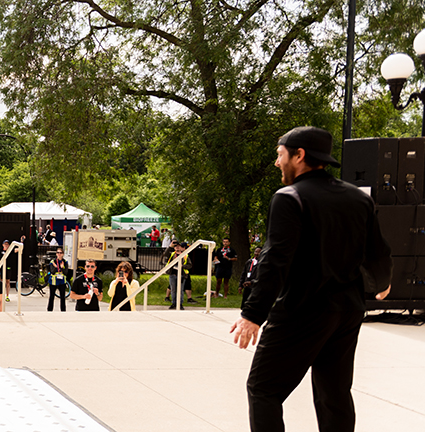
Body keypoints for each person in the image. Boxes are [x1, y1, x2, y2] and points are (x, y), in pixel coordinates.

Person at [229, 126, 392, 432]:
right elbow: (379, 251)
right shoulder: (358, 198)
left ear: (299, 155)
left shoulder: (289, 198)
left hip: (303, 309)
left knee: (264, 389)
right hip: (347, 311)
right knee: (335, 393)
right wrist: (383, 282)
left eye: (280, 155)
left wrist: (253, 314)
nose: (277, 162)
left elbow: (275, 260)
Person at [166, 242, 196, 309]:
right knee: (173, 289)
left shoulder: (185, 255)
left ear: (181, 247)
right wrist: (170, 246)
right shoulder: (172, 254)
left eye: (179, 246)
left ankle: (180, 304)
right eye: (176, 246)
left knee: (180, 290)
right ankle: (174, 303)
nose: (177, 247)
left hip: (182, 275)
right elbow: (165, 254)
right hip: (172, 274)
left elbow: (190, 265)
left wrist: (183, 266)